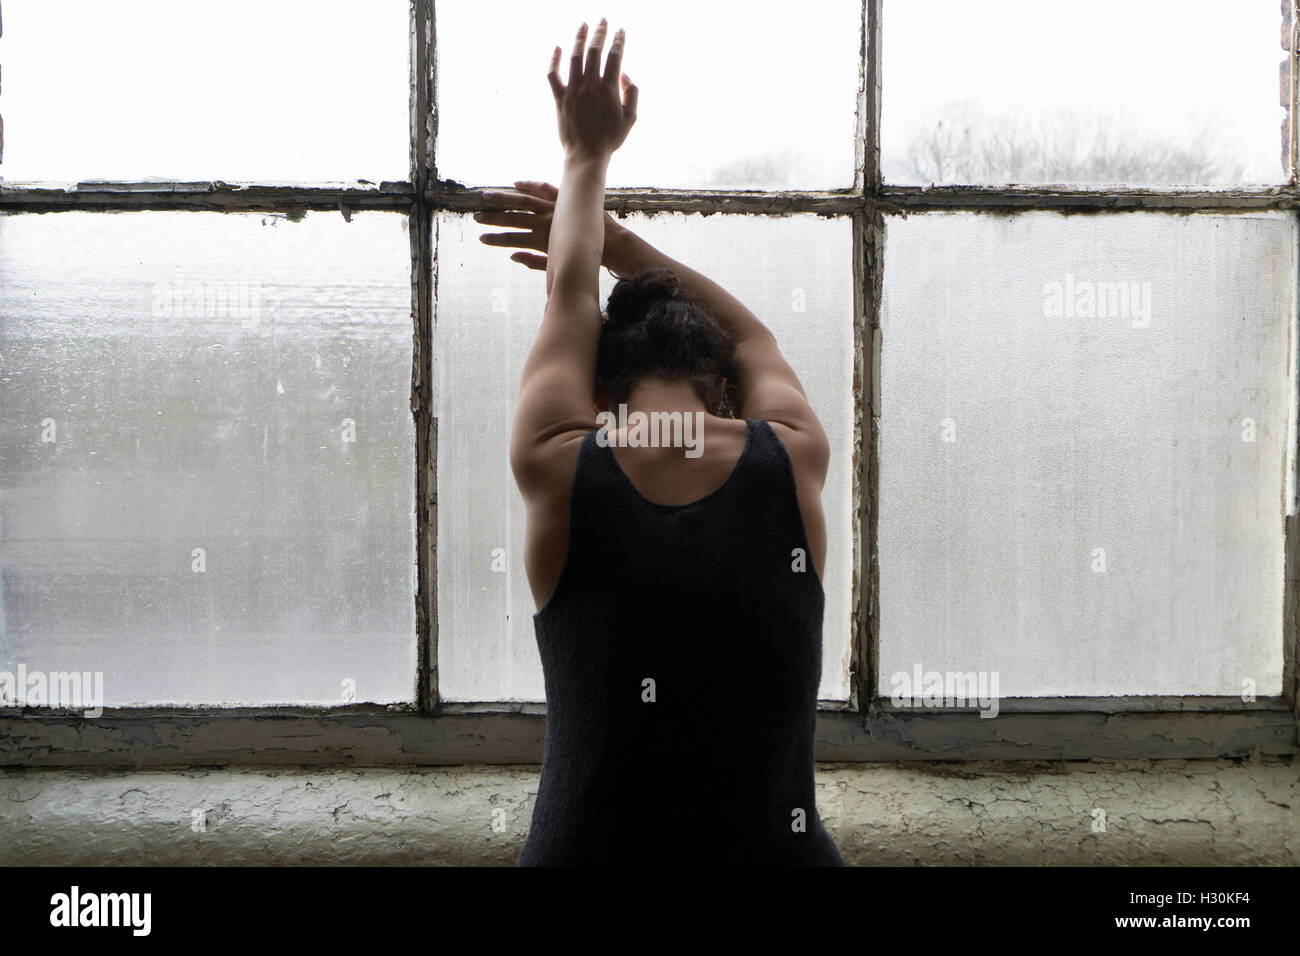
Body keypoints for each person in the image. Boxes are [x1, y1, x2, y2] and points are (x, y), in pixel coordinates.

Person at [474, 18, 843, 866]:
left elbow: (567, 294)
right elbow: (754, 338)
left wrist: (584, 163)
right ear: (725, 391)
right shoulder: (792, 454)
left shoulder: (557, 460)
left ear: (599, 393)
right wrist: (630, 251)